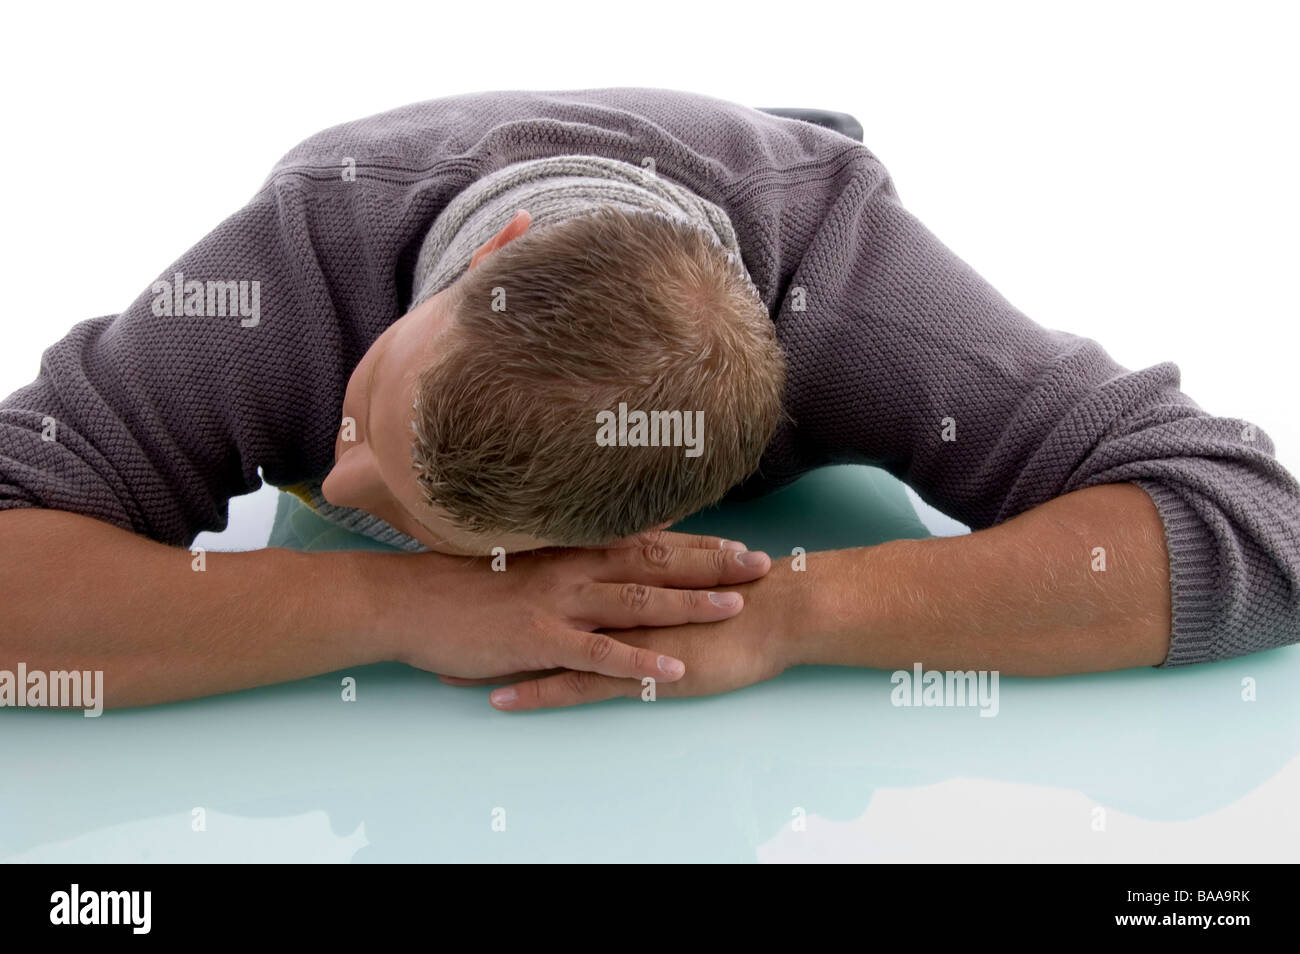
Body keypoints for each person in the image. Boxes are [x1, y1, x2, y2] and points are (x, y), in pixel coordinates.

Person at [2, 88, 1297, 713]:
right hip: (411, 162)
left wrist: (797, 614)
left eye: (415, 508)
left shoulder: (857, 292)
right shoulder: (296, 265)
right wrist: (412, 596)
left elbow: (1253, 527)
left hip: (771, 162)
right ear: (496, 252)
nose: (338, 483)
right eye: (371, 409)